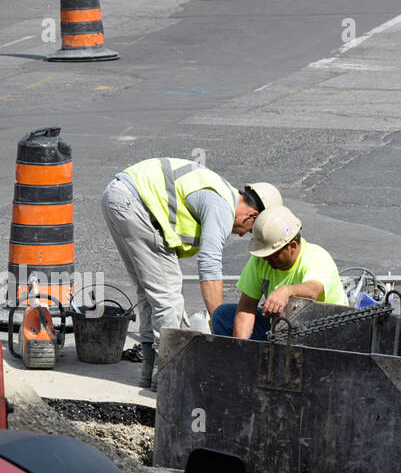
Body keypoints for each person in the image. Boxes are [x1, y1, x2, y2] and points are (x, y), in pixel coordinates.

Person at [101, 157, 280, 387]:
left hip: (118, 196)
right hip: (135, 204)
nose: (243, 235)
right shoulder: (222, 206)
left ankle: (149, 369)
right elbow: (209, 263)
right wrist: (218, 323)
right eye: (250, 231)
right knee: (169, 297)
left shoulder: (219, 191)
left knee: (149, 291)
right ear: (252, 215)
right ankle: (167, 377)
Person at [212, 205, 348, 340]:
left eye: (273, 255)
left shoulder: (317, 257)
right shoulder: (260, 260)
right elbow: (247, 307)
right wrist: (241, 346)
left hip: (325, 333)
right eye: (264, 254)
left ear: (292, 247)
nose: (266, 259)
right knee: (222, 316)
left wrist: (286, 291)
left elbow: (314, 289)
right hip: (283, 329)